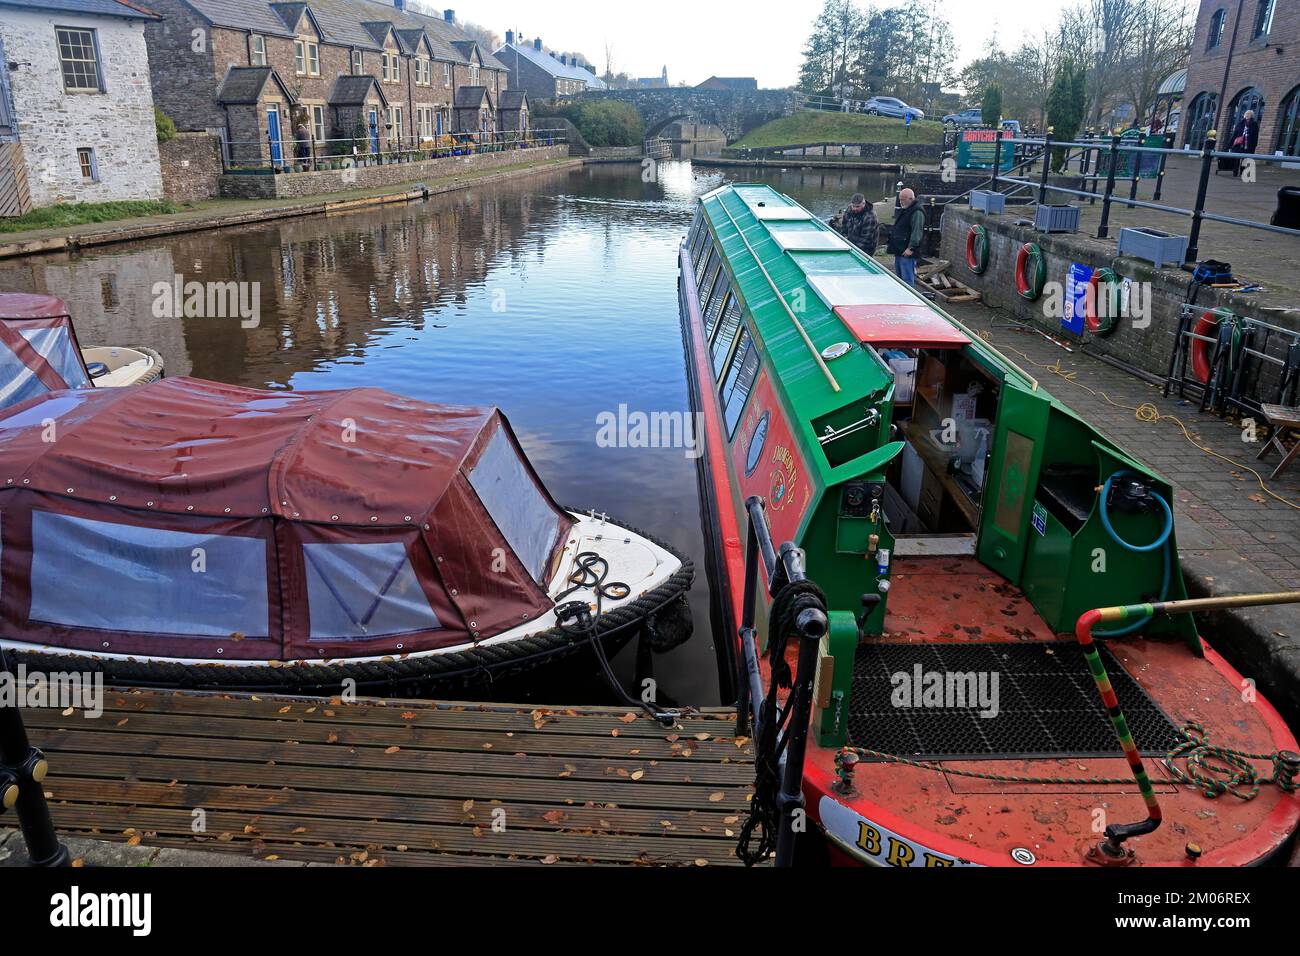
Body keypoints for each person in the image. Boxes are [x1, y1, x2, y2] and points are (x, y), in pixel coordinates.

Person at [887, 188, 925, 286]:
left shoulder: (917, 212)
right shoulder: (906, 210)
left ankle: (910, 299)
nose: (900, 202)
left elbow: (917, 232)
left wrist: (911, 248)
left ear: (911, 199)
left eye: (903, 200)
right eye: (900, 200)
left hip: (907, 252)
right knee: (899, 279)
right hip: (900, 250)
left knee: (907, 279)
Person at [1229, 109, 1259, 178]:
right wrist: (1230, 144)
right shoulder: (1240, 123)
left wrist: (1254, 145)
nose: (1247, 115)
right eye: (1246, 114)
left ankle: (1242, 172)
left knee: (1245, 160)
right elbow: (1235, 134)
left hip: (1248, 145)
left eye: (1249, 114)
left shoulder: (1254, 124)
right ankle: (1235, 172)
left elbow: (1255, 136)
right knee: (1236, 159)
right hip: (1239, 144)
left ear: (1251, 116)